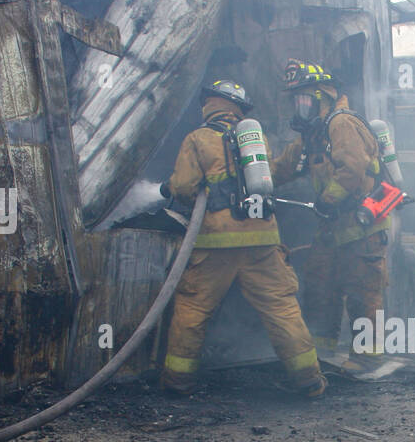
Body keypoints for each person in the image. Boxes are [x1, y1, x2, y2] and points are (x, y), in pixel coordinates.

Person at [161, 79, 326, 397]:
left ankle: (177, 382)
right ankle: (308, 378)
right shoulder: (256, 138)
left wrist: (172, 189)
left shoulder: (198, 139)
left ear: (210, 104)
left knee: (193, 309)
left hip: (215, 244)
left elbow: (183, 187)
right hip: (263, 238)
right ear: (238, 110)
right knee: (281, 307)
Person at [271, 59, 385, 372]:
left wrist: (328, 199)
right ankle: (323, 352)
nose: (300, 106)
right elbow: (282, 167)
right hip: (332, 228)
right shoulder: (313, 135)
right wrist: (250, 177)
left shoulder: (341, 123)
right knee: (322, 285)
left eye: (304, 99)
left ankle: (367, 358)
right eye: (297, 100)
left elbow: (352, 167)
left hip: (361, 226)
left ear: (323, 96)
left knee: (362, 292)